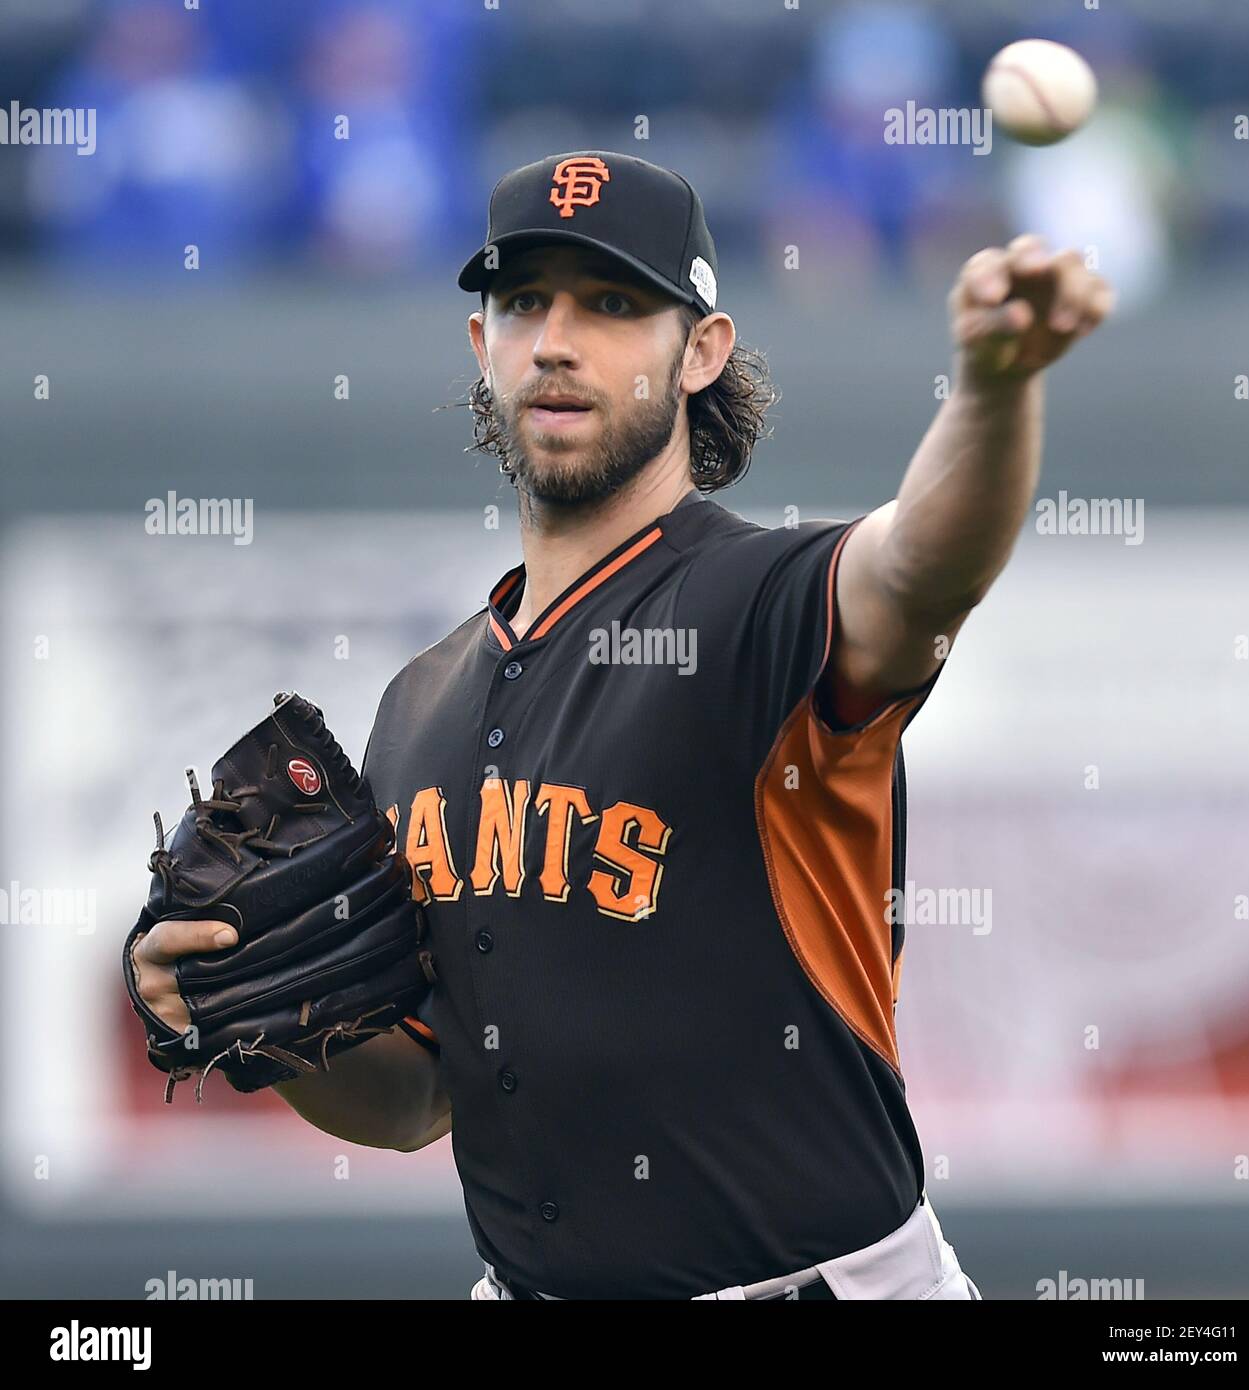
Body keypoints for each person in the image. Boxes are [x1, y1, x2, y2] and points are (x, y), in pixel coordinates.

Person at [129, 150, 1112, 1300]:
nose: (557, 338)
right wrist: (246, 1019)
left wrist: (994, 386)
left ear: (701, 350)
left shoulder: (759, 610)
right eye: (523, 301)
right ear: (480, 345)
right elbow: (417, 1101)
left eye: (612, 303)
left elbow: (926, 563)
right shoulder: (419, 704)